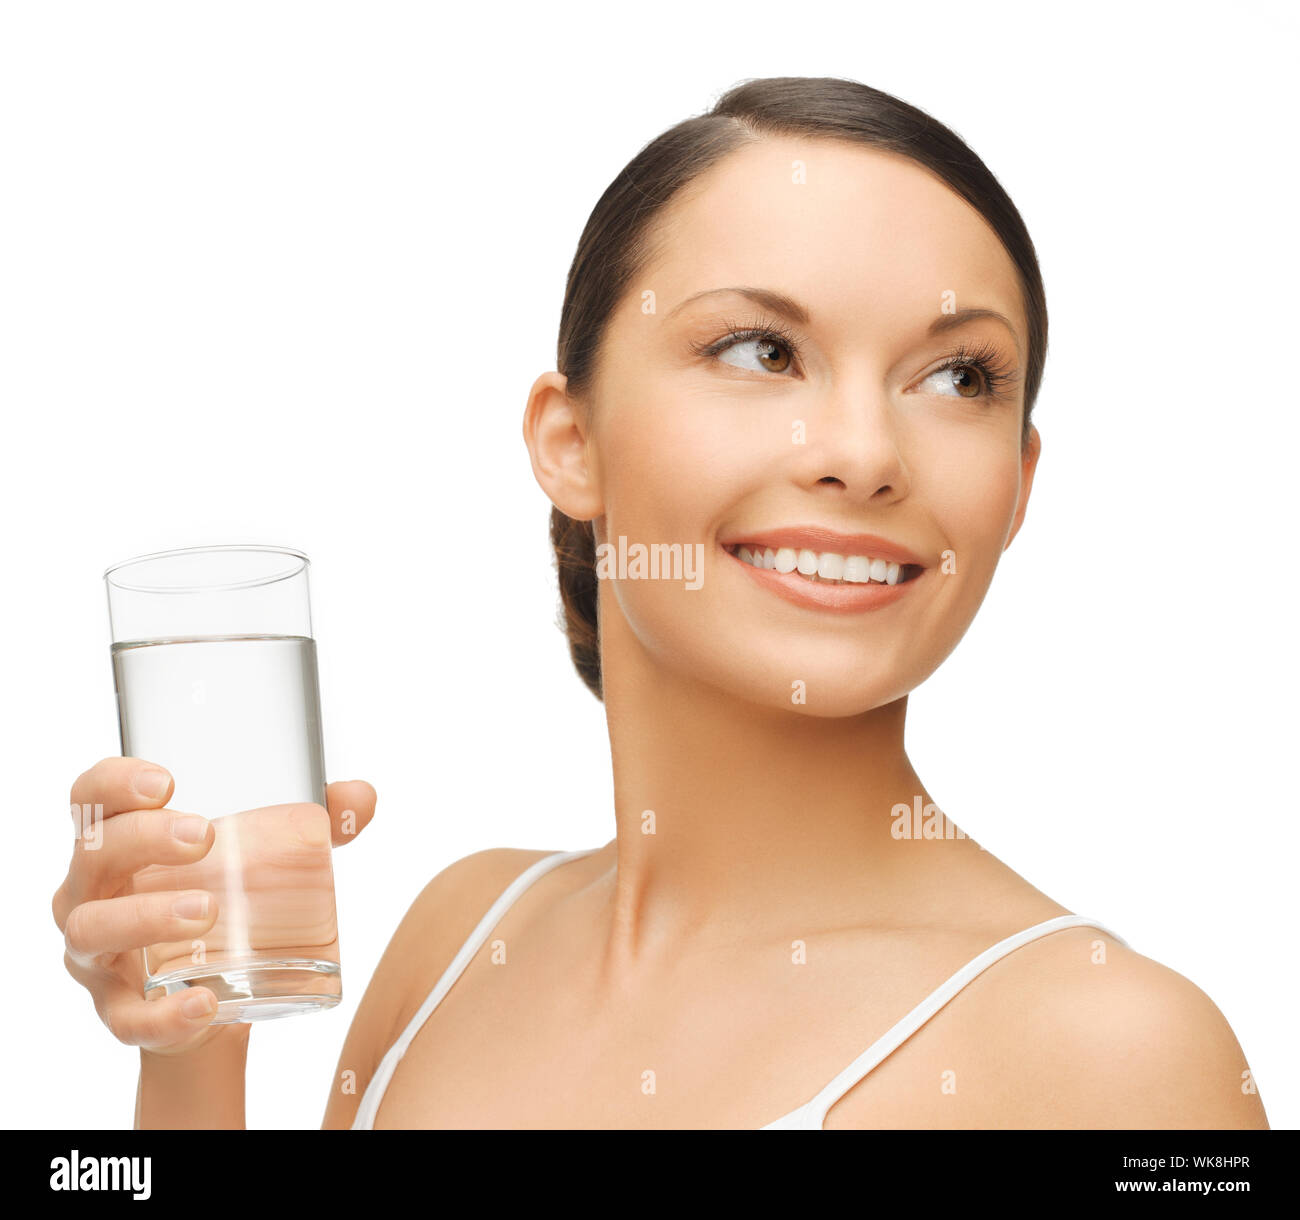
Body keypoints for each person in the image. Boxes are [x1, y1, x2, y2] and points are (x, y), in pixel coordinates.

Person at [55, 76, 1268, 1129]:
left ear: (1017, 483)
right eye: (759, 350)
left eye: (958, 375)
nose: (862, 451)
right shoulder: (461, 932)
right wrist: (194, 1044)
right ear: (568, 440)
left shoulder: (1115, 1049)